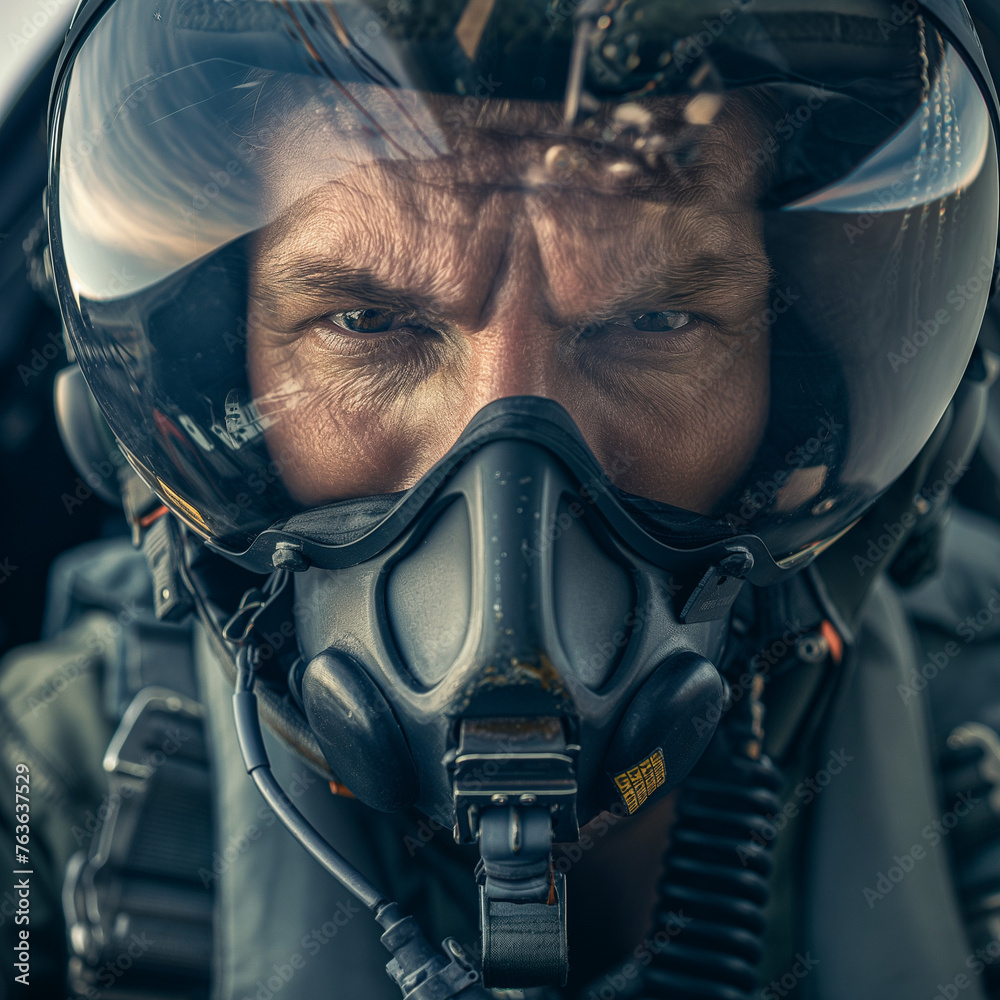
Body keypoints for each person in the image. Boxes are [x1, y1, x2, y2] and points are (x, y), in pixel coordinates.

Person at [4, 1, 1000, 997]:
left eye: (653, 318)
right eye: (365, 320)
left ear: (797, 393)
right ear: (221, 381)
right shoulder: (44, 797)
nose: (509, 511)